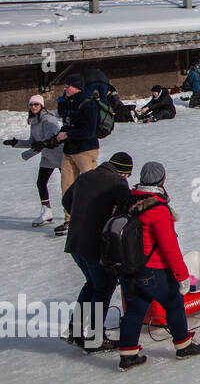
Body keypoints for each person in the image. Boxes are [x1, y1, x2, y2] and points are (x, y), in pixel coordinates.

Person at [115, 161, 200, 370]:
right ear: (162, 180)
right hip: (153, 268)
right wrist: (182, 276)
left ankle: (128, 355)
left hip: (131, 267)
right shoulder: (157, 209)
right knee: (174, 303)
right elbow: (169, 247)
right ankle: (183, 346)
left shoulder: (129, 200)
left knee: (136, 309)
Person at [61, 150, 133, 348]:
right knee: (104, 286)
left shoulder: (86, 176)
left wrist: (82, 213)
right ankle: (94, 338)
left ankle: (75, 332)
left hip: (74, 243)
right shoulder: (118, 183)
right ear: (124, 173)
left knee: (92, 285)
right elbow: (127, 212)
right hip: (95, 246)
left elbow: (66, 202)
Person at [3, 94, 62, 226]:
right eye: (31, 104)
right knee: (41, 183)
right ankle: (46, 212)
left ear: (42, 105)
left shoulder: (48, 120)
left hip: (59, 155)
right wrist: (16, 142)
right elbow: (33, 142)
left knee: (67, 185)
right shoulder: (35, 121)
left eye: (36, 104)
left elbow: (50, 142)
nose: (33, 107)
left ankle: (75, 212)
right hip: (47, 157)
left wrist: (27, 154)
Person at [53, 74, 101, 236]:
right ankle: (69, 219)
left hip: (86, 150)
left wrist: (68, 135)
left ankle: (96, 218)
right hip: (69, 151)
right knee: (66, 187)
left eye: (68, 86)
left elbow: (89, 130)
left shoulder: (88, 103)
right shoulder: (68, 102)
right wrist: (60, 135)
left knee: (91, 185)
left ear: (76, 87)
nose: (65, 88)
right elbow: (68, 124)